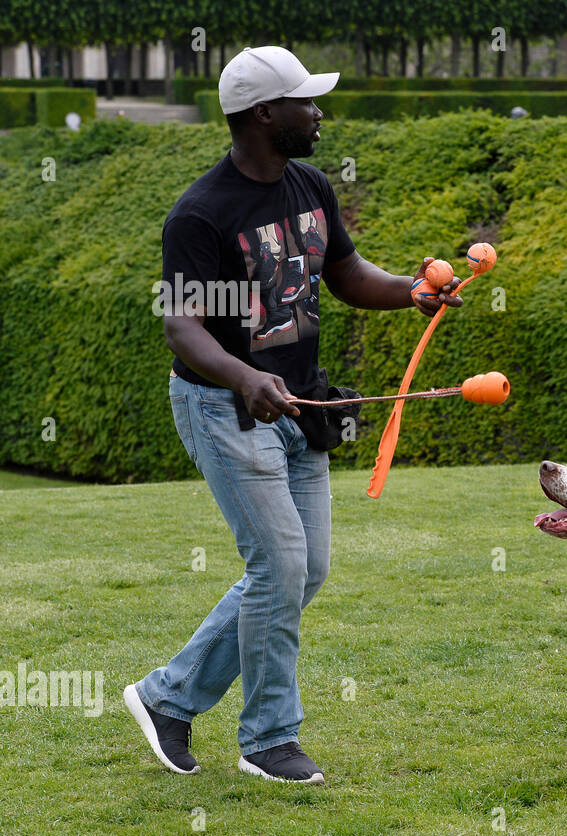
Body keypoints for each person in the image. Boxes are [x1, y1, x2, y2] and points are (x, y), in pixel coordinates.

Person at [125, 46, 462, 783]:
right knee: (277, 564)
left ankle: (169, 697)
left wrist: (412, 291)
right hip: (223, 406)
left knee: (302, 571)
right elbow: (182, 326)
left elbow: (345, 273)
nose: (319, 113)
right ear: (262, 114)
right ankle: (269, 737)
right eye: (306, 101)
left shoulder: (308, 186)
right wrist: (246, 376)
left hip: (300, 404)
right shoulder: (201, 213)